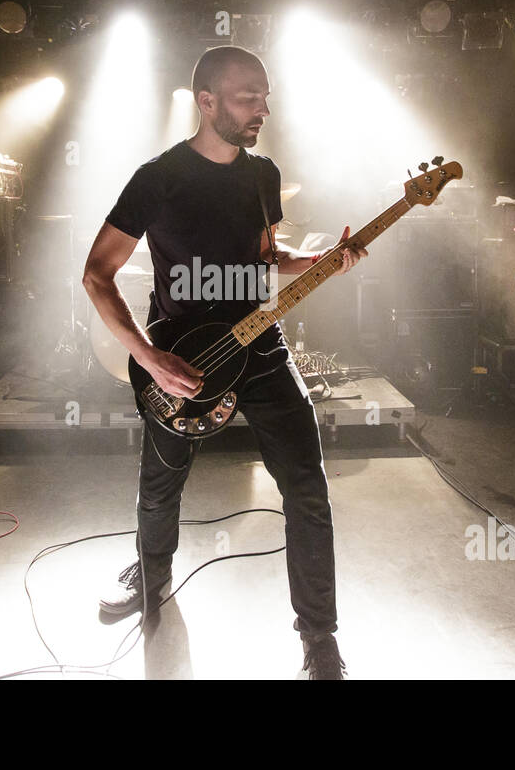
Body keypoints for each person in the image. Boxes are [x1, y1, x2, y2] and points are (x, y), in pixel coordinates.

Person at [82, 46, 366, 679]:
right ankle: (150, 575)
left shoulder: (264, 175)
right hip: (181, 355)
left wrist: (322, 260)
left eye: (265, 95)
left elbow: (264, 255)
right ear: (205, 101)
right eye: (247, 96)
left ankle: (319, 637)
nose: (263, 107)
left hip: (260, 347)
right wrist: (148, 358)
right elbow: (97, 274)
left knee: (307, 489)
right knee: (159, 489)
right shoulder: (158, 177)